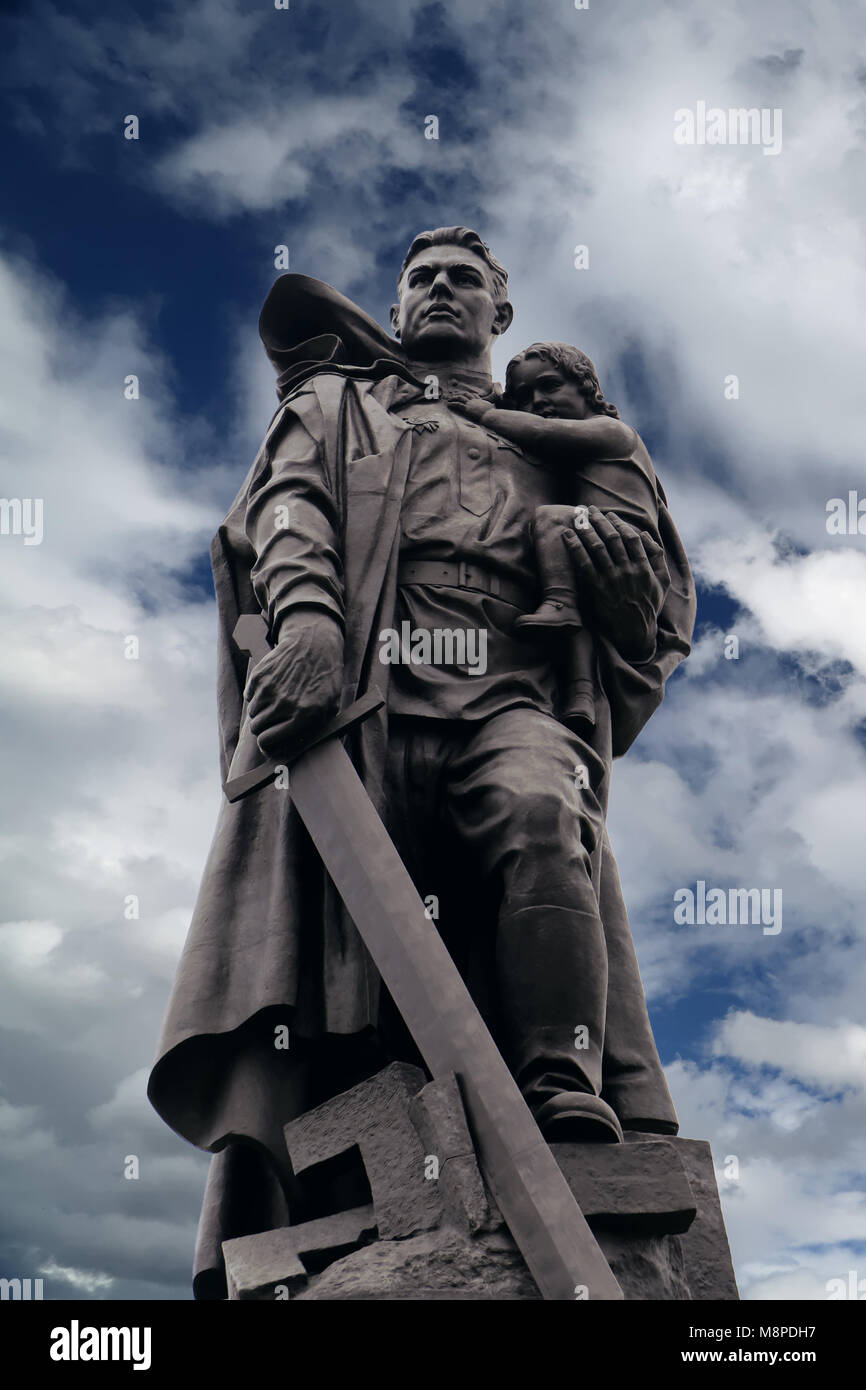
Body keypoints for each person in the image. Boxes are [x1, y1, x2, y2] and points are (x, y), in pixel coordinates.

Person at [147, 227, 696, 1297]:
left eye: (464, 280)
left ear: (501, 312)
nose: (439, 290)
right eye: (419, 280)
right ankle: (370, 1177)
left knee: (544, 814)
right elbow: (284, 511)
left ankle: (559, 1084)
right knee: (347, 947)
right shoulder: (338, 403)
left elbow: (651, 591)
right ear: (397, 310)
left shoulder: (562, 436)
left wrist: (631, 618)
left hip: (512, 684)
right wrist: (305, 624)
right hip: (368, 693)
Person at [446, 341, 666, 728]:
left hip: (618, 534)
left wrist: (485, 412)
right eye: (525, 396)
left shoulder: (613, 433)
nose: (538, 401)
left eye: (550, 386)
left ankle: (558, 600)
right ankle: (580, 697)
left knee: (548, 520)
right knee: (578, 621)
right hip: (589, 534)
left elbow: (542, 433)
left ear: (588, 388)